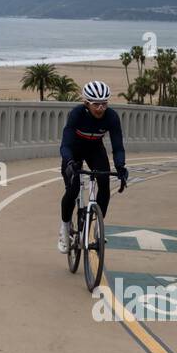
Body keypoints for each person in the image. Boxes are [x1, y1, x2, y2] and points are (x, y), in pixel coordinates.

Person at [58, 81, 128, 254]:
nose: (100, 108)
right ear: (86, 103)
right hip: (74, 151)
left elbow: (118, 146)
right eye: (96, 104)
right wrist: (69, 162)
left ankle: (98, 228)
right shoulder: (77, 114)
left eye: (104, 103)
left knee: (104, 184)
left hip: (95, 150)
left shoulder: (111, 117)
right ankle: (64, 228)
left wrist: (120, 166)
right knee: (73, 189)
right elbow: (65, 144)